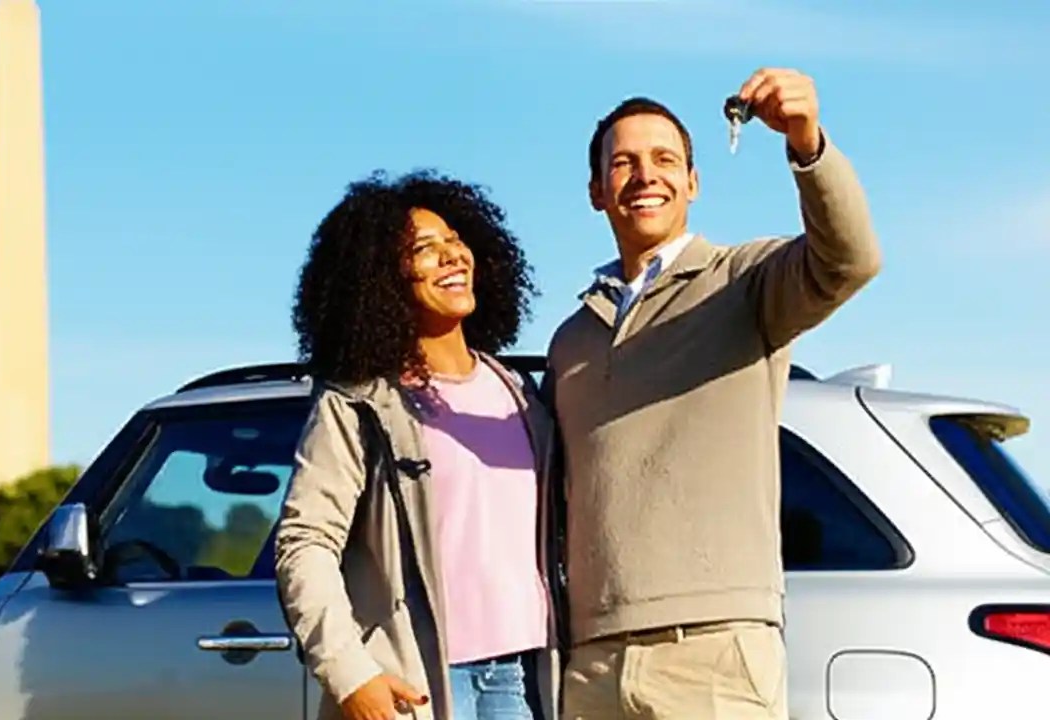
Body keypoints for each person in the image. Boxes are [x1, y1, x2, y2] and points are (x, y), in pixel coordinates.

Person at [543, 67, 882, 719]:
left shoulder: (745, 283)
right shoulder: (571, 341)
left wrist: (807, 145)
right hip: (593, 662)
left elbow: (850, 260)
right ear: (595, 191)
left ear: (693, 183)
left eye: (665, 160)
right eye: (624, 163)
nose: (646, 176)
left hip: (714, 655)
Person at [275, 170, 562, 720]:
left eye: (455, 240)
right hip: (418, 684)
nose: (452, 256)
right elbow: (305, 542)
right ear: (381, 280)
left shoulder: (521, 397)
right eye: (425, 249)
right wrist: (351, 672)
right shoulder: (357, 403)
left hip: (523, 678)